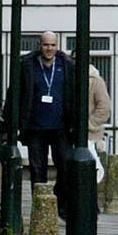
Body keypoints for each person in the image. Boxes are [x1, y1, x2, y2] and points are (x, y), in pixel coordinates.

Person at [5, 31, 75, 220]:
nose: (49, 49)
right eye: (46, 45)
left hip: (61, 127)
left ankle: (62, 206)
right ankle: (40, 209)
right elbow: (15, 94)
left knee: (65, 168)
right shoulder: (27, 65)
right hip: (35, 127)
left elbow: (75, 95)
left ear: (57, 46)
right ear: (40, 45)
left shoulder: (67, 65)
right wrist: (10, 122)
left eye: (52, 45)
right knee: (37, 170)